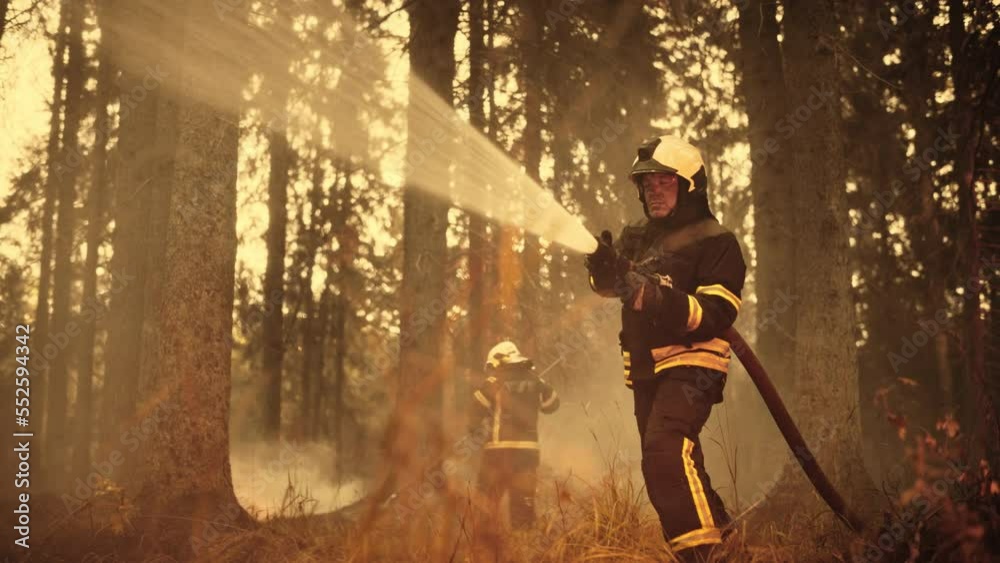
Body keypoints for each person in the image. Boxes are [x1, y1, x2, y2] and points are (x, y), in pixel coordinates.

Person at [584, 135, 746, 562]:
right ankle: (729, 543)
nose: (652, 190)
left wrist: (654, 297)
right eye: (647, 184)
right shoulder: (636, 237)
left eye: (663, 181)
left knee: (666, 453)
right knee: (671, 464)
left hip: (694, 363)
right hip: (644, 367)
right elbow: (609, 287)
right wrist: (602, 268)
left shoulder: (717, 242)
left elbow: (717, 313)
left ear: (689, 186)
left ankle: (703, 556)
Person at [472, 340, 560, 529]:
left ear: (498, 362)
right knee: (523, 508)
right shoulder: (536, 380)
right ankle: (524, 549)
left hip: (497, 454)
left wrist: (479, 437)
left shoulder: (492, 384)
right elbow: (552, 405)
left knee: (486, 504)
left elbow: (473, 417)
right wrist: (537, 385)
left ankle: (484, 549)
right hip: (527, 455)